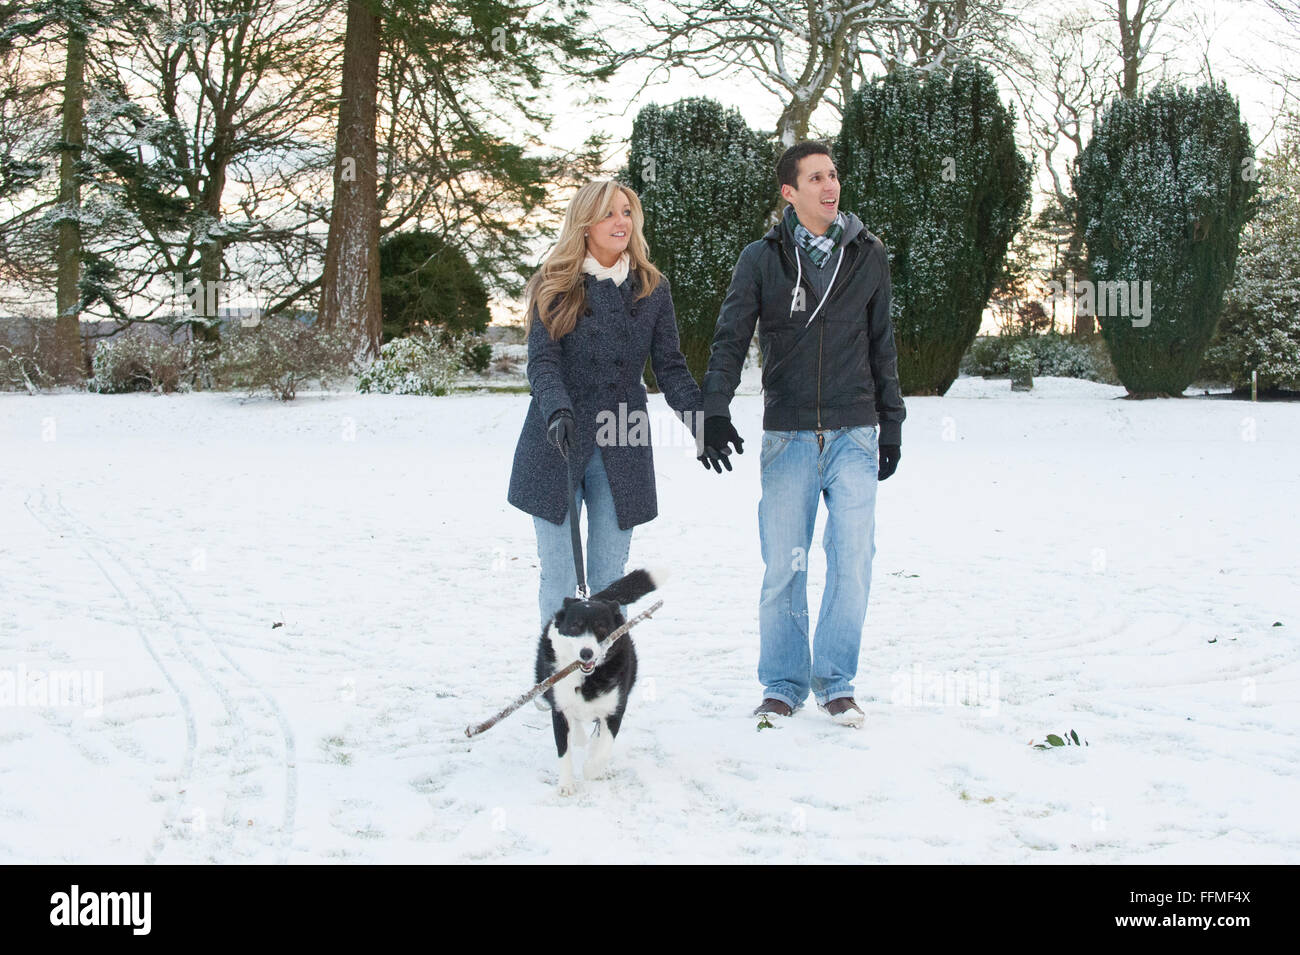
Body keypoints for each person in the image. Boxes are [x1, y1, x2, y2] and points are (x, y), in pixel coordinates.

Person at [698, 141, 906, 727]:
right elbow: (730, 338)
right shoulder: (761, 259)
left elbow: (882, 344)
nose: (829, 184)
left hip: (855, 434)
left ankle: (837, 683)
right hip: (788, 436)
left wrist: (891, 424)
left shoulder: (868, 255)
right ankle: (783, 684)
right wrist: (715, 409)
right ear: (790, 192)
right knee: (784, 566)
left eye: (834, 174)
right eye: (815, 177)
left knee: (853, 560)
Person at [507, 180, 710, 632]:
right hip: (555, 438)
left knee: (607, 576)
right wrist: (558, 410)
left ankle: (599, 670)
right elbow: (542, 361)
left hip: (623, 440)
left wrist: (702, 422)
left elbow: (670, 366)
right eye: (609, 214)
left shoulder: (652, 288)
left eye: (626, 212)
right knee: (560, 575)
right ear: (584, 224)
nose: (621, 222)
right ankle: (558, 670)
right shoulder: (554, 282)